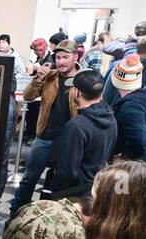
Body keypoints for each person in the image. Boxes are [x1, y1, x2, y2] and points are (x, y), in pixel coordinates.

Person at [10, 39, 80, 218]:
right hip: (44, 136)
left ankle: (52, 219)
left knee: (61, 182)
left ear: (75, 57)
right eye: (58, 57)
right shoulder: (50, 76)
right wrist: (38, 78)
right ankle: (16, 214)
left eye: (66, 57)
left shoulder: (83, 79)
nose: (61, 61)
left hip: (69, 141)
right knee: (29, 179)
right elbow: (28, 96)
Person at [42, 70, 117, 198]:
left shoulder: (77, 125)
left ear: (76, 92)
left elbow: (67, 171)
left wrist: (55, 190)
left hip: (73, 194)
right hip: (94, 189)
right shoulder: (111, 118)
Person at [106, 54, 146, 161]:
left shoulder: (132, 107)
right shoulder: (143, 93)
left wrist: (125, 159)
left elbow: (138, 140)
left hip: (128, 166)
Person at [103, 36, 146, 100]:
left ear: (137, 48)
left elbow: (106, 93)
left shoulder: (117, 65)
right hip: (142, 109)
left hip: (115, 107)